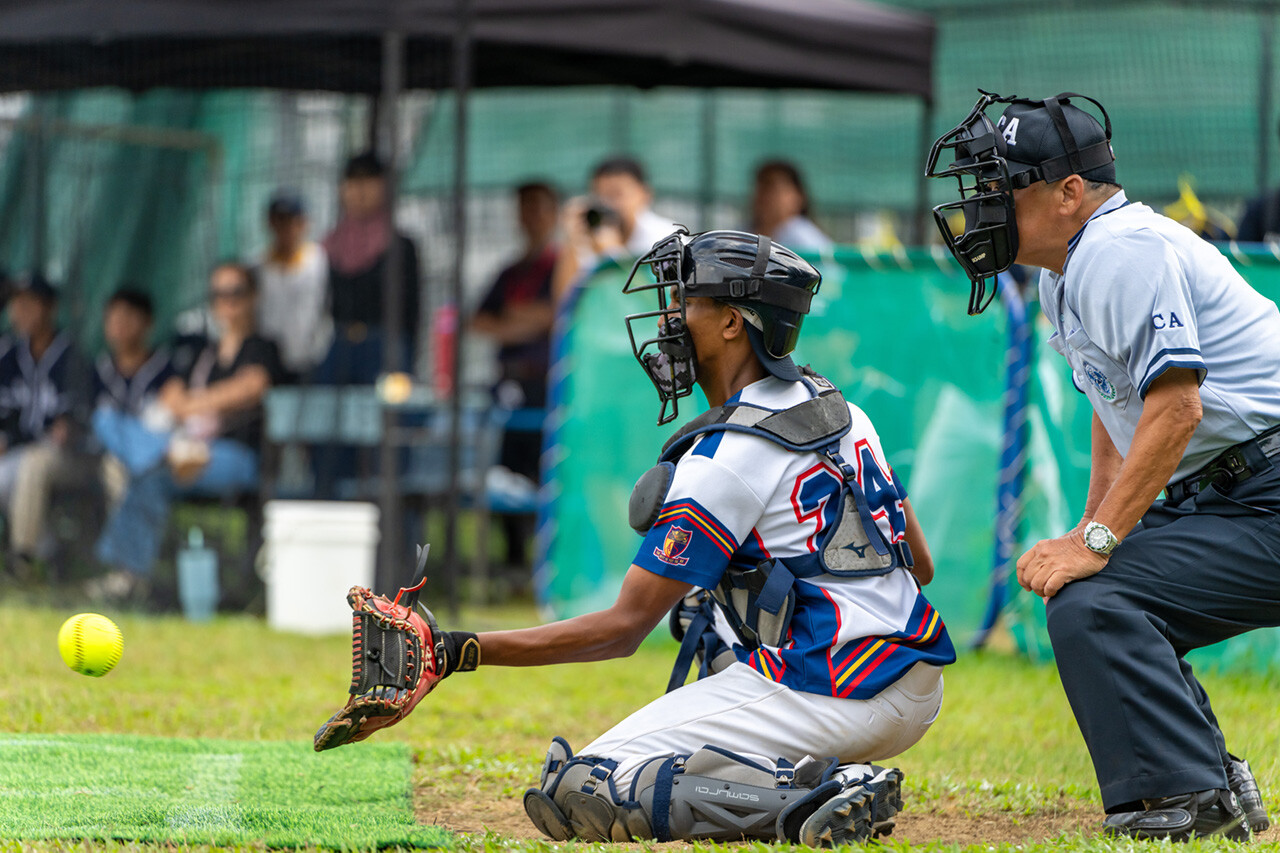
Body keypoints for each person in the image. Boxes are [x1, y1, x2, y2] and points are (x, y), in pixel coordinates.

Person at [315, 229, 956, 846]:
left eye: (686, 299)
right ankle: (815, 775)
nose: (670, 317)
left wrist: (455, 650)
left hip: (837, 690)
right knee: (719, 623)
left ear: (734, 322)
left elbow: (623, 630)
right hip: (913, 679)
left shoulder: (727, 455)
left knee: (582, 787)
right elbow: (917, 563)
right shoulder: (840, 407)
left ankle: (812, 795)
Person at [926, 90, 1279, 841]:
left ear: (1069, 192)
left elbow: (1176, 407)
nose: (983, 203)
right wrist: (1095, 526)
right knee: (1097, 597)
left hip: (1267, 489)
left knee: (1100, 599)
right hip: (1239, 490)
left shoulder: (1119, 248)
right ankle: (1202, 781)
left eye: (1001, 184)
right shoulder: (1068, 268)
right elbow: (1114, 405)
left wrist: (1095, 544)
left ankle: (1188, 795)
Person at [92, 261, 281, 603]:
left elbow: (249, 388)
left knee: (148, 472)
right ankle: (130, 576)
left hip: (235, 455)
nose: (227, 301)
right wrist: (203, 403)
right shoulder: (202, 351)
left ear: (252, 297)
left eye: (235, 292)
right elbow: (171, 397)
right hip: (183, 448)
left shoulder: (262, 346)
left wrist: (197, 403)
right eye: (219, 294)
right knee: (106, 420)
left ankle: (128, 577)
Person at [471, 181, 559, 569]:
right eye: (524, 208)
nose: (531, 217)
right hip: (509, 383)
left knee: (547, 470)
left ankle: (547, 561)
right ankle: (513, 561)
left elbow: (557, 314)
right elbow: (479, 320)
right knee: (506, 473)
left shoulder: (560, 265)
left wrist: (519, 317)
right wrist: (528, 320)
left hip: (547, 385)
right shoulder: (511, 270)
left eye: (538, 207)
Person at [0, 273, 87, 574]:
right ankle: (49, 554)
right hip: (20, 452)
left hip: (70, 458)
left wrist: (68, 428)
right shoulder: (8, 354)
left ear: (49, 307)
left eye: (29, 303)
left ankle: (24, 560)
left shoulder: (73, 355)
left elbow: (77, 422)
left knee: (30, 467)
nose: (19, 310)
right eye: (15, 303)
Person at [319, 151, 421, 384]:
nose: (360, 190)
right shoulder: (327, 247)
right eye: (352, 182)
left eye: (369, 181)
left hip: (386, 352)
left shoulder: (400, 246)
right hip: (337, 349)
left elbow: (411, 313)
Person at [90, 287, 174, 507]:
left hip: (156, 456)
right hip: (103, 458)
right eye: (113, 317)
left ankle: (128, 541)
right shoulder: (98, 370)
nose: (119, 323)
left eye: (128, 316)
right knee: (114, 465)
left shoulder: (167, 368)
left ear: (148, 322)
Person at [551, 156, 676, 303]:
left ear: (645, 195)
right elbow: (564, 304)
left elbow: (659, 302)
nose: (608, 204)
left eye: (617, 194)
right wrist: (572, 241)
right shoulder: (591, 235)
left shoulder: (665, 238)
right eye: (600, 196)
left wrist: (612, 254)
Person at [256, 189, 332, 381]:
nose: (286, 228)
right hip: (268, 361)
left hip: (311, 359)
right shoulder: (257, 265)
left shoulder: (320, 261)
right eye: (279, 220)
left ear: (304, 223)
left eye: (292, 221)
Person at [750, 160, 833, 252]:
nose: (765, 196)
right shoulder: (744, 232)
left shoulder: (801, 235)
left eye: (774, 189)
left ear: (798, 197)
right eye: (761, 187)